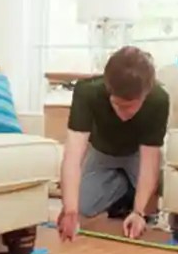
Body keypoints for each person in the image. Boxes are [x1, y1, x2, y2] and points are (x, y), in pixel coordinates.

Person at [56, 46, 169, 242]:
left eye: (131, 106)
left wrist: (139, 212)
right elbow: (73, 157)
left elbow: (149, 161)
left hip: (137, 156)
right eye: (118, 105)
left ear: (145, 95)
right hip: (102, 153)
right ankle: (123, 191)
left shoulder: (158, 99)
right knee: (84, 205)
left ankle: (133, 200)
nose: (123, 113)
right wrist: (70, 210)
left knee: (151, 204)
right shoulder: (86, 93)